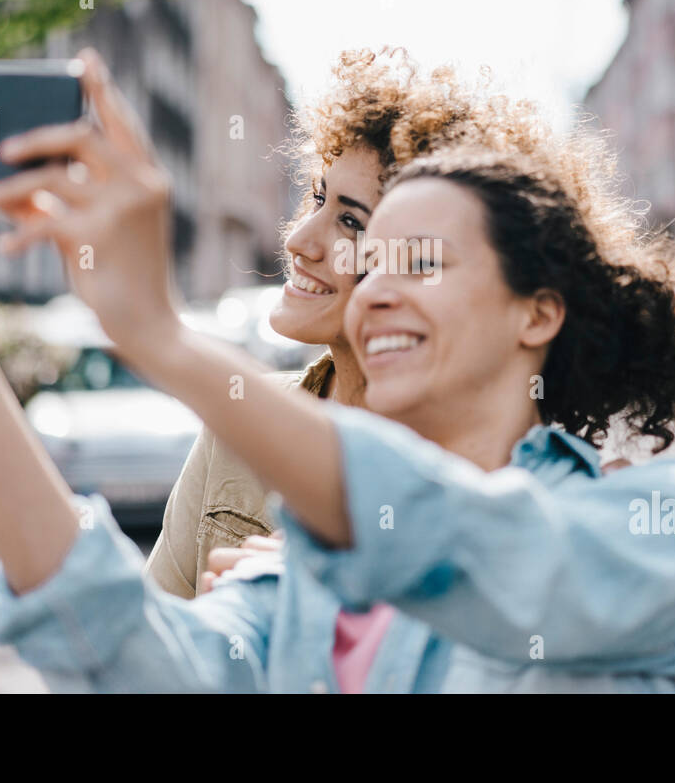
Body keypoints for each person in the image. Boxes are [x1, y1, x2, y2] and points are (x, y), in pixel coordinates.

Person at [0, 49, 675, 692]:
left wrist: (158, 335)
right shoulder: (300, 586)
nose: (366, 289)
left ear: (537, 311)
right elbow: (119, 644)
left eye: (410, 257)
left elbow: (494, 557)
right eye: (364, 262)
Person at [142, 48, 548, 597]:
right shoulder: (242, 423)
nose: (298, 240)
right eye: (317, 198)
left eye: (352, 222)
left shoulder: (523, 476)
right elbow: (160, 645)